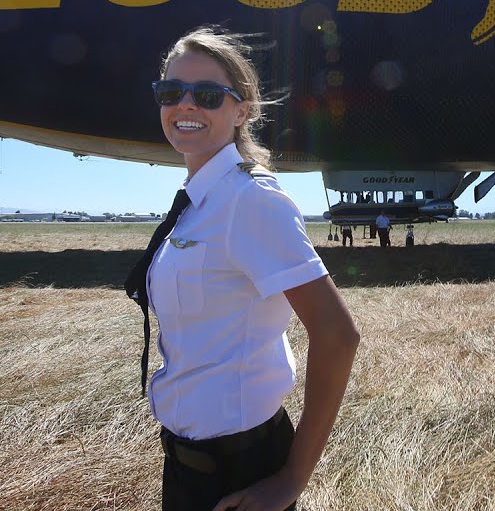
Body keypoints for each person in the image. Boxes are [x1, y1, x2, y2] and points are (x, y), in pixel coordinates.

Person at [133, 25, 359, 511]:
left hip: (241, 470)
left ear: (242, 110)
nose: (186, 105)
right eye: (171, 92)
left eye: (208, 95)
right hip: (186, 466)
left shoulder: (251, 199)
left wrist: (292, 479)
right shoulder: (199, 202)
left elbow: (337, 334)